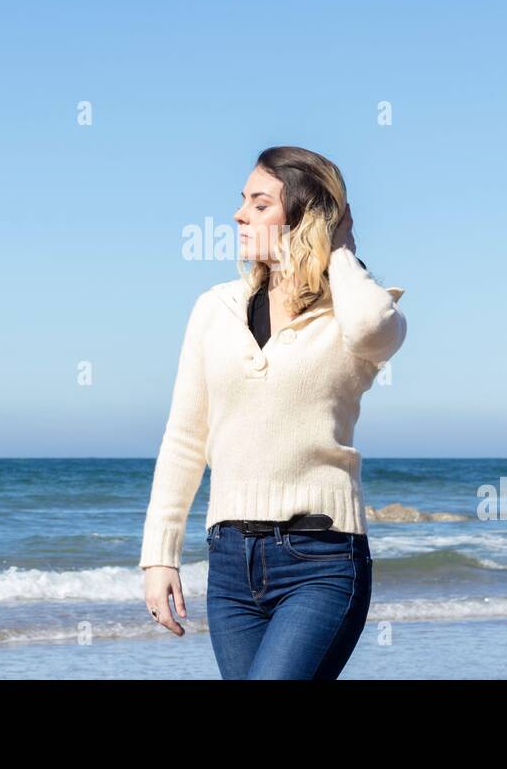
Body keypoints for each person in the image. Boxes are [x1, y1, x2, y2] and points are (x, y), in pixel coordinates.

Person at [139, 145, 408, 679]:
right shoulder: (214, 309)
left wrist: (341, 249)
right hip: (230, 564)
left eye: (259, 203)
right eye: (242, 201)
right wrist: (159, 555)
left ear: (304, 214)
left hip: (321, 560)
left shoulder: (354, 312)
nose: (238, 214)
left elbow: (375, 330)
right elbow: (186, 437)